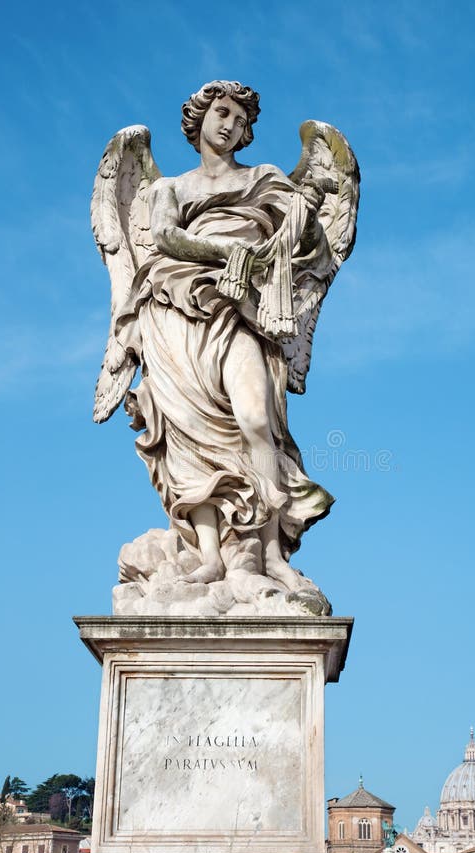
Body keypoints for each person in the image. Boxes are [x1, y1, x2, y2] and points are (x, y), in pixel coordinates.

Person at [123, 80, 334, 590]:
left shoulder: (265, 178)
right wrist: (224, 254)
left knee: (256, 421)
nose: (231, 125)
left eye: (241, 121)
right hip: (179, 305)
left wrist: (299, 215)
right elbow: (166, 236)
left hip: (244, 307)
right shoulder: (169, 188)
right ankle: (212, 555)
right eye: (222, 113)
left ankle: (268, 553)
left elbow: (310, 239)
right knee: (189, 435)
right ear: (199, 119)